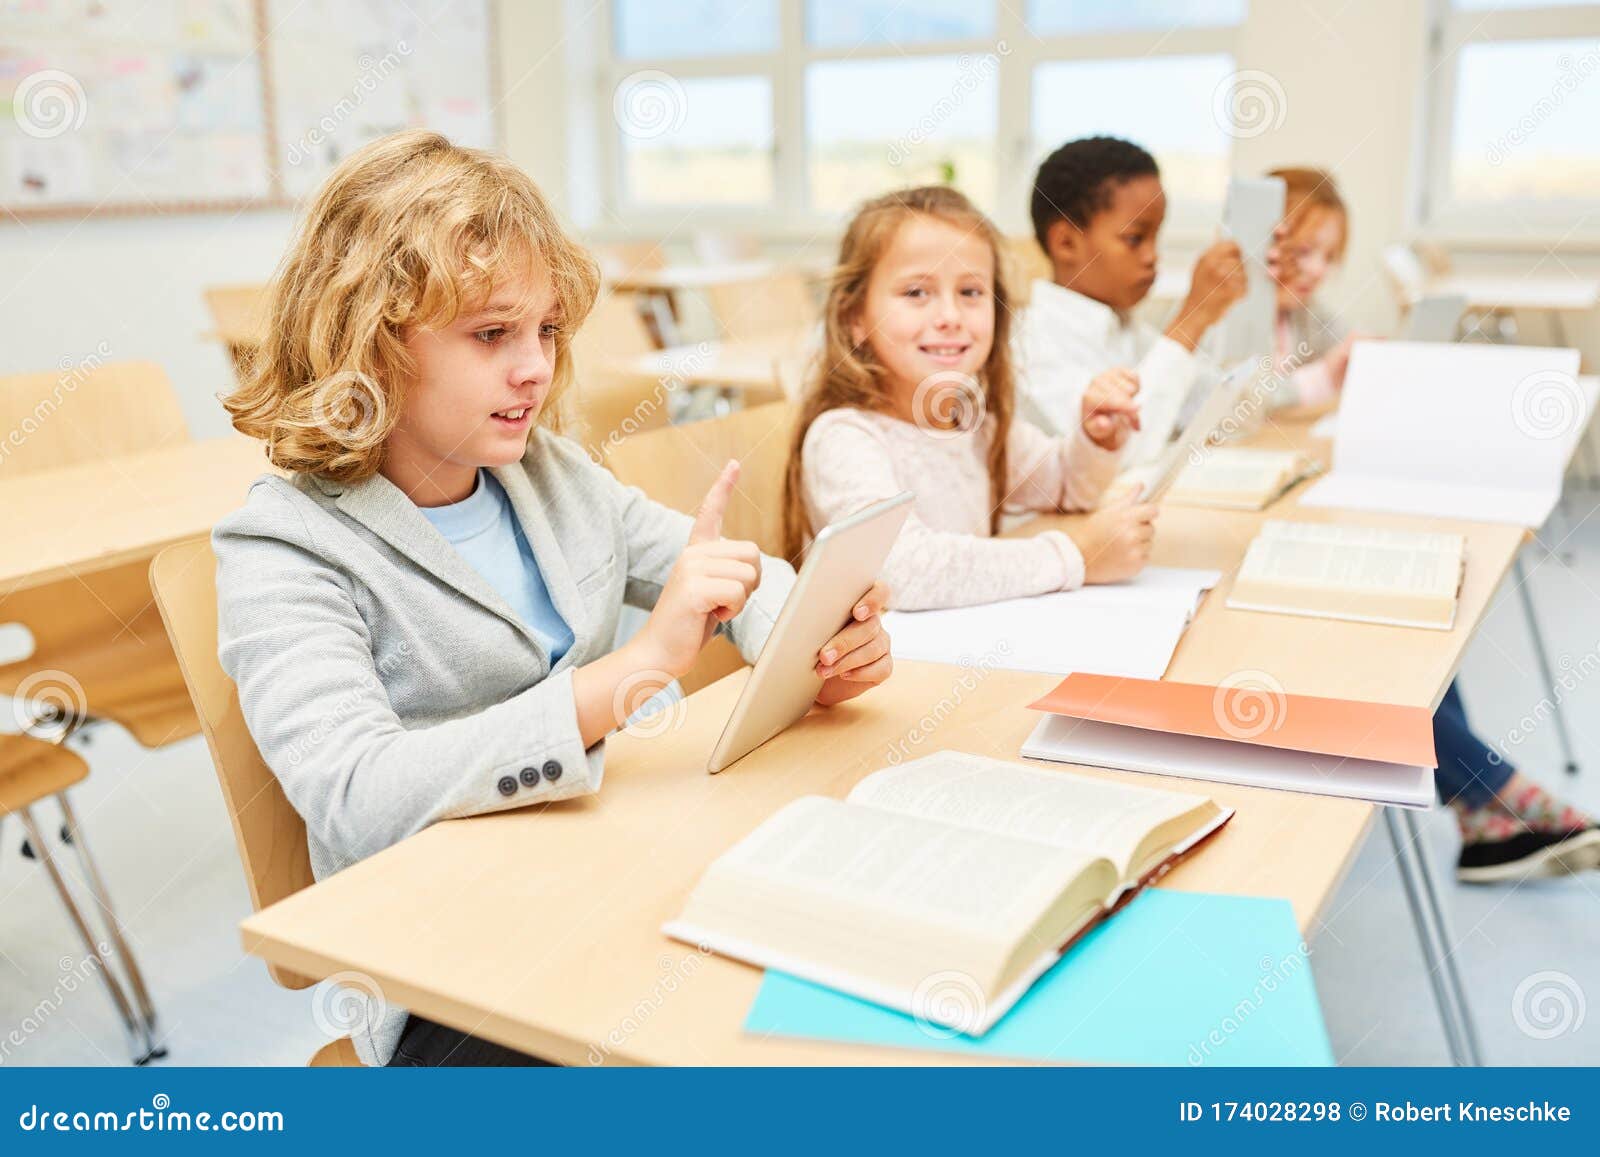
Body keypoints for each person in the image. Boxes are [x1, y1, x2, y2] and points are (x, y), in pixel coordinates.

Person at [214, 131, 893, 1065]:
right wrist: (636, 670)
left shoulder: (552, 474)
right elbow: (358, 797)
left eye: (545, 331)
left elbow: (734, 573)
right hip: (445, 974)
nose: (534, 366)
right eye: (492, 334)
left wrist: (811, 648)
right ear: (366, 342)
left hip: (600, 878)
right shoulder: (286, 548)